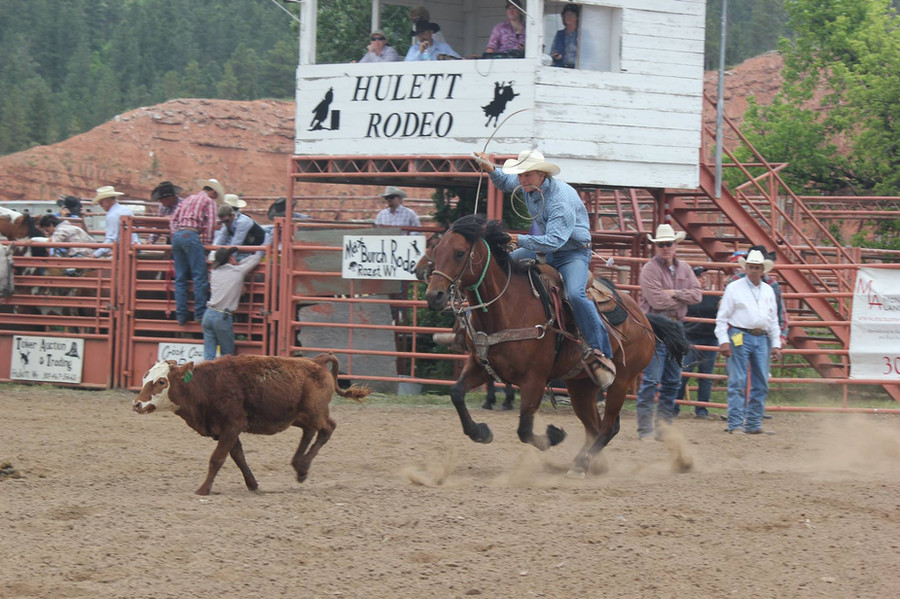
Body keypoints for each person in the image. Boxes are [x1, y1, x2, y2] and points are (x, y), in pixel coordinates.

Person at [472, 149, 616, 388]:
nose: (521, 179)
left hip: (572, 253)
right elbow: (506, 182)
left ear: (541, 175)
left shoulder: (560, 200)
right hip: (546, 248)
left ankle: (601, 350)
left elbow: (555, 241)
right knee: (501, 267)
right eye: (520, 174)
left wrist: (517, 239)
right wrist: (490, 168)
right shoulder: (529, 185)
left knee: (575, 294)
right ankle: (477, 323)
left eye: (526, 174)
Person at [635, 224, 702, 441]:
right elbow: (656, 301)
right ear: (657, 246)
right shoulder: (649, 269)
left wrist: (673, 293)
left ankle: (662, 428)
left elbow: (697, 295)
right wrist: (682, 297)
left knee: (672, 381)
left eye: (668, 244)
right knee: (652, 380)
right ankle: (646, 429)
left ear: (675, 245)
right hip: (656, 327)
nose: (665, 247)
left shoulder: (684, 268)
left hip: (675, 328)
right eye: (661, 244)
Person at [715, 249, 782, 435]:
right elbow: (722, 317)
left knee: (761, 381)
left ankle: (752, 423)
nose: (753, 270)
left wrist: (776, 343)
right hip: (739, 334)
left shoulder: (768, 290)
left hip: (761, 336)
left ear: (762, 270)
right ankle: (737, 423)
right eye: (751, 267)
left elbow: (773, 319)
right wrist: (723, 340)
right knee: (738, 379)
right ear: (746, 268)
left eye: (757, 267)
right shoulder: (734, 288)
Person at [169, 179, 220, 325]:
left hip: (178, 236)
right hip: (191, 235)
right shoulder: (209, 201)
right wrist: (208, 244)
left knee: (180, 278)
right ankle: (199, 314)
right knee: (199, 276)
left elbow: (173, 219)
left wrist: (175, 234)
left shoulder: (187, 199)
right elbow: (211, 224)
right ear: (212, 192)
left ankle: (181, 316)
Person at [201, 246, 263, 361]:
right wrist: (238, 263)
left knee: (209, 355)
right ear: (230, 258)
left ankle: (205, 371)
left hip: (208, 314)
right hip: (222, 316)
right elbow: (256, 258)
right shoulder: (237, 271)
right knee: (227, 356)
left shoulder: (214, 272)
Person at [674, 266, 719, 419]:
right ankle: (675, 406)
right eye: (699, 276)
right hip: (691, 339)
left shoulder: (714, 296)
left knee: (705, 376)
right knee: (683, 374)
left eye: (703, 277)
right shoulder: (688, 296)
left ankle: (702, 409)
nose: (702, 279)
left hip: (710, 339)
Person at [88, 186, 139, 258]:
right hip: (134, 248)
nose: (100, 205)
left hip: (124, 252)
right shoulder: (126, 210)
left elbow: (111, 239)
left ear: (108, 200)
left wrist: (95, 254)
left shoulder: (112, 215)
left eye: (101, 202)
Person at [550, 4, 579, 68]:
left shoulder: (581, 34)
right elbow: (552, 52)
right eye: (567, 14)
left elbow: (588, 56)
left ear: (577, 17)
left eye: (572, 14)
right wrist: (555, 56)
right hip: (560, 68)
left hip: (577, 69)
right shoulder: (559, 34)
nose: (569, 17)